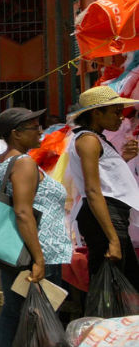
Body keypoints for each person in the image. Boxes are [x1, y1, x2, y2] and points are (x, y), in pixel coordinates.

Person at [0, 108, 72, 347]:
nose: (40, 132)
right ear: (16, 133)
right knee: (41, 315)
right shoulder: (23, 163)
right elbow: (23, 212)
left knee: (14, 312)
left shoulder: (0, 161)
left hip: (15, 249)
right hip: (37, 249)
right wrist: (39, 259)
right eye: (34, 128)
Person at [66, 86, 139, 290]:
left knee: (121, 281)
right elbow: (93, 190)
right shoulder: (88, 140)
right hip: (104, 216)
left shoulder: (94, 138)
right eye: (116, 112)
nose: (120, 118)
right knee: (108, 283)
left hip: (108, 215)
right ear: (96, 113)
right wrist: (113, 239)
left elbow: (104, 178)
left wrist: (123, 159)